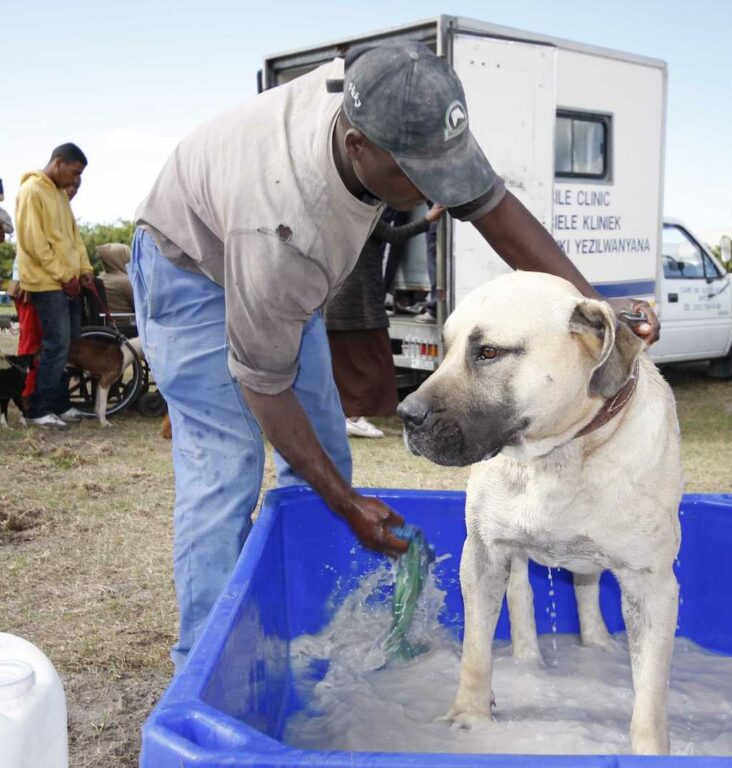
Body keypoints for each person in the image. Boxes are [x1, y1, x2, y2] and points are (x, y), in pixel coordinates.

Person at [131, 41, 657, 670]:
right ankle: (207, 670)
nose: (441, 186)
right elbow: (264, 386)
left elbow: (493, 209)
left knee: (326, 450)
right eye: (422, 173)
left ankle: (308, 631)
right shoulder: (282, 228)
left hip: (276, 274)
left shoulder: (406, 107)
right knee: (226, 467)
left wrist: (598, 312)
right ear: (358, 148)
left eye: (446, 166)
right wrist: (349, 505)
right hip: (189, 266)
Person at [326, 204, 444, 438]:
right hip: (358, 303)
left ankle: (346, 415)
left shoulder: (333, 216)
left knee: (344, 364)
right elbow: (394, 234)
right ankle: (353, 417)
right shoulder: (360, 214)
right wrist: (428, 219)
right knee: (370, 362)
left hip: (338, 302)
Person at [15, 143, 93, 428]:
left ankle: (60, 405)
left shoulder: (60, 195)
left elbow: (74, 237)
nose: (74, 181)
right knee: (56, 344)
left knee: (70, 346)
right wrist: (64, 275)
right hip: (47, 283)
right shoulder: (31, 191)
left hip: (69, 282)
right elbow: (35, 244)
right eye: (73, 173)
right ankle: (38, 409)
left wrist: (84, 269)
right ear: (58, 163)